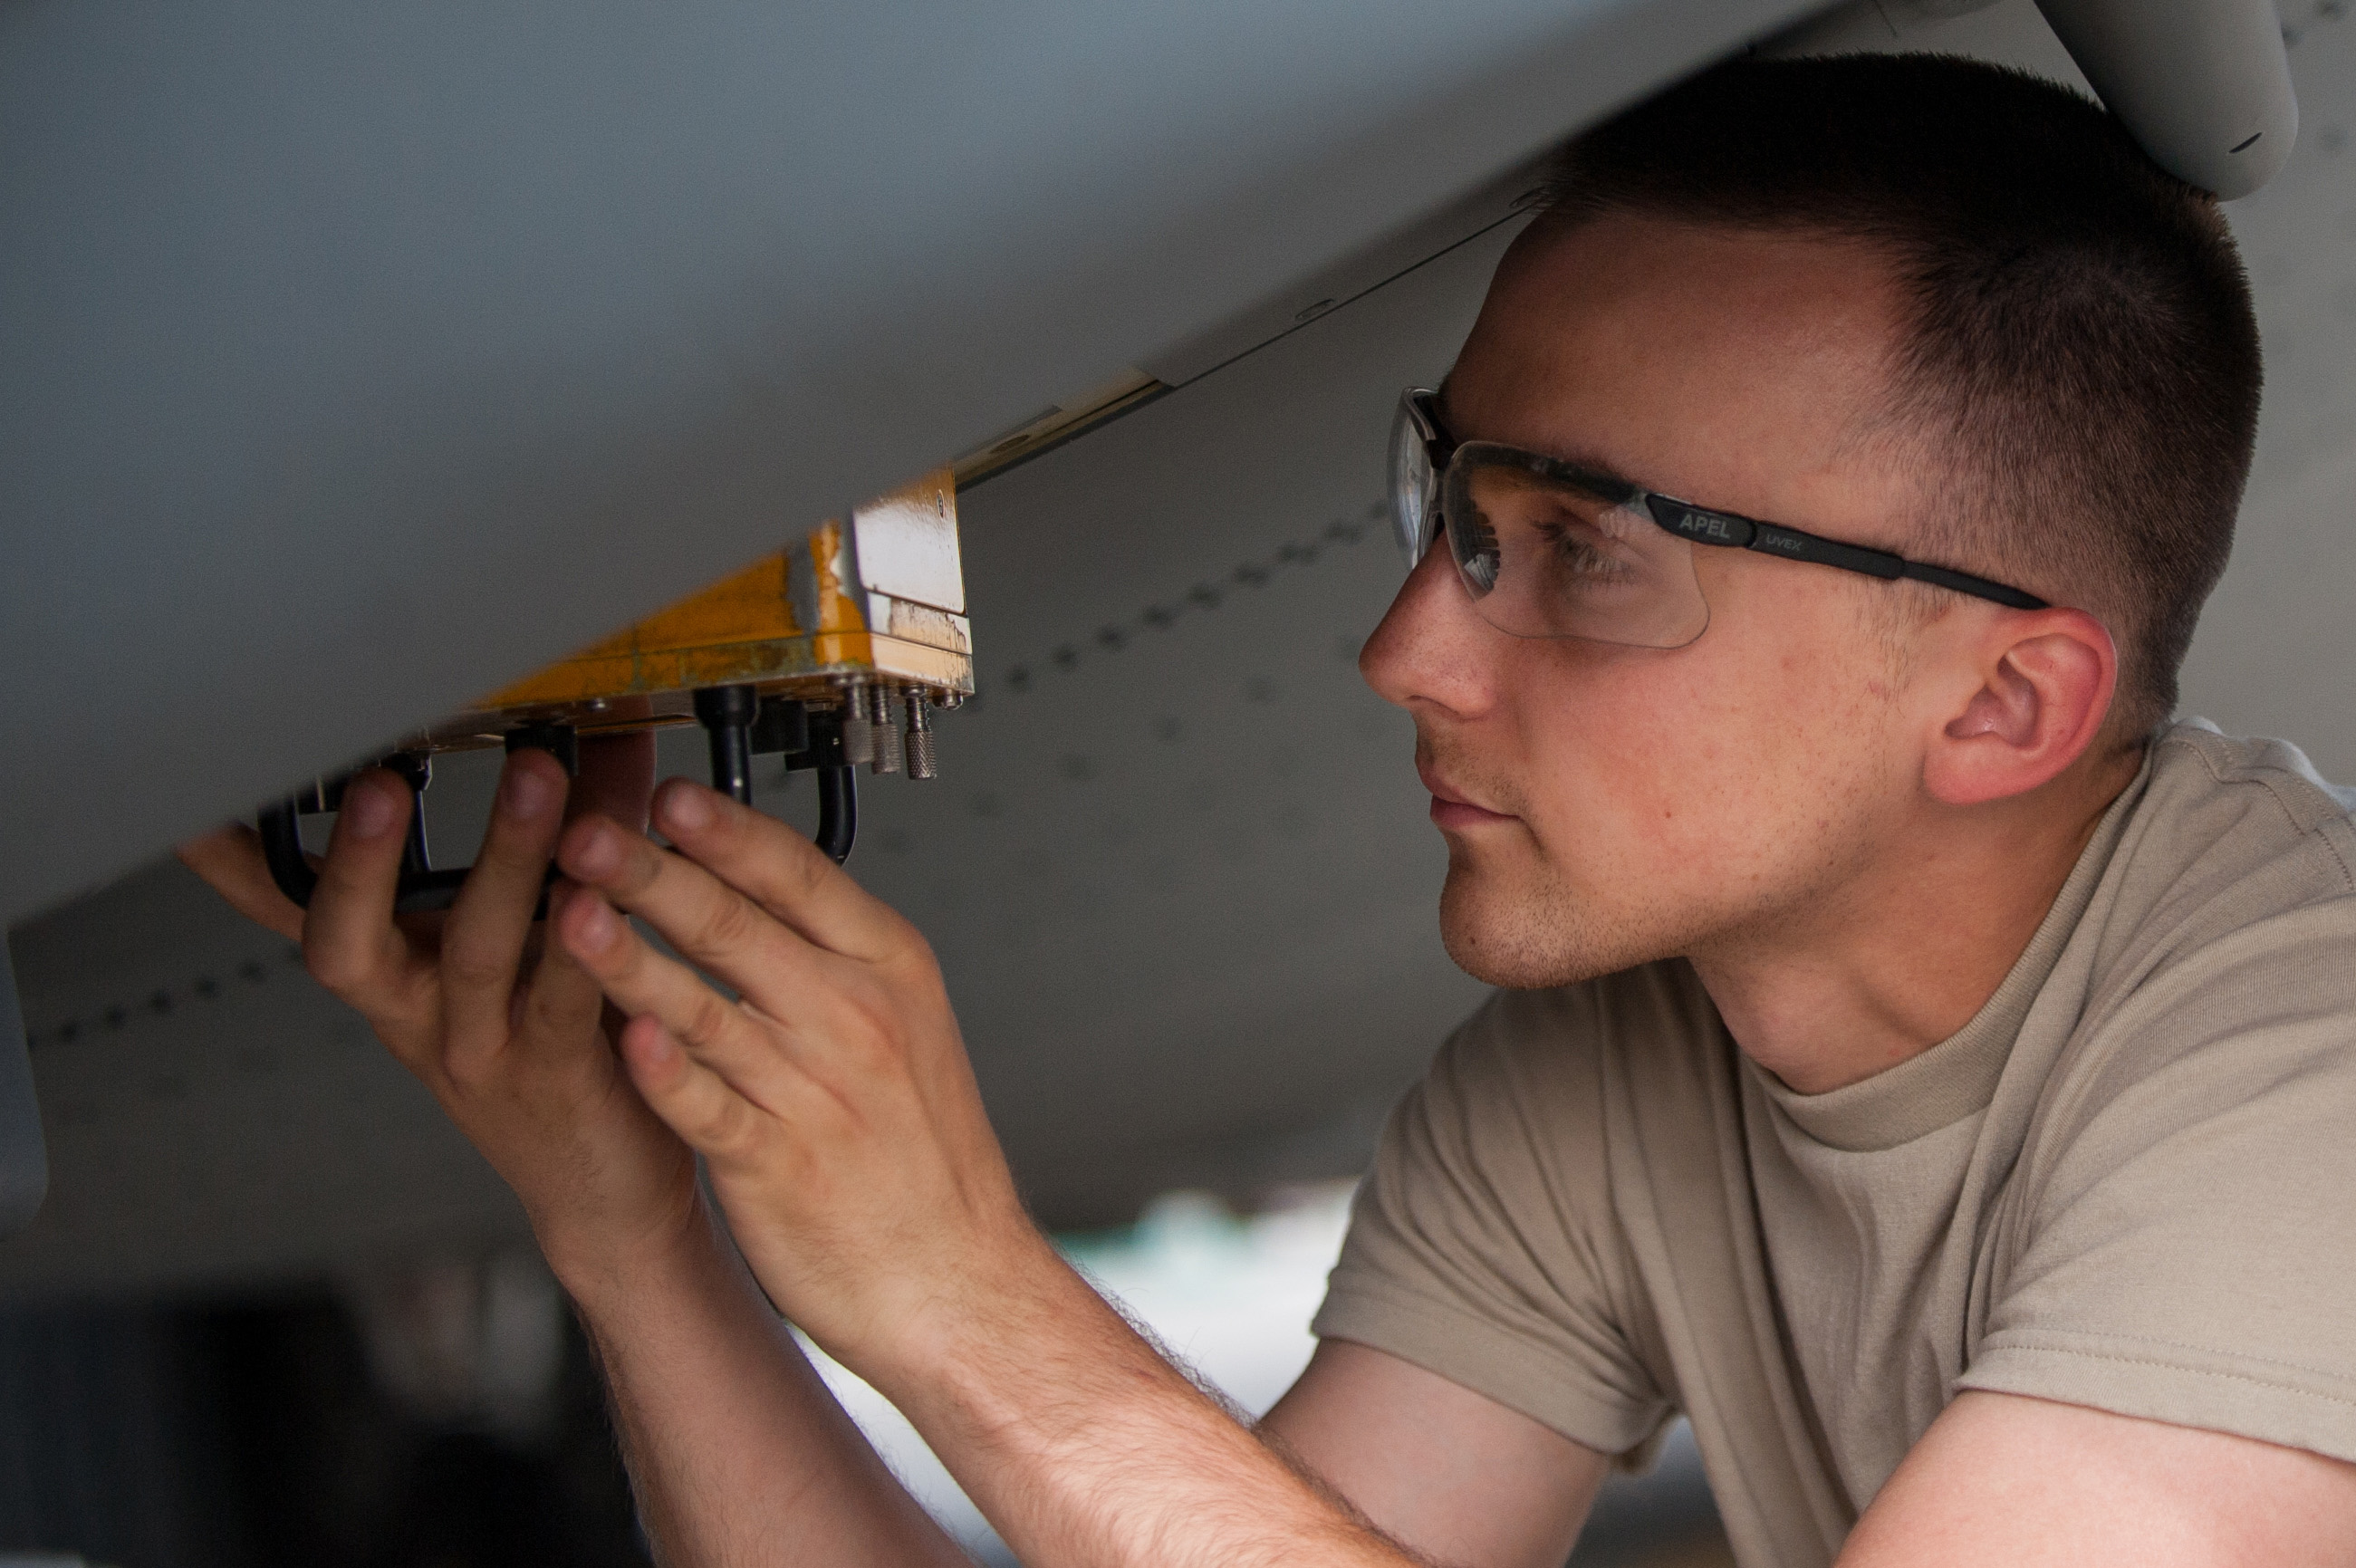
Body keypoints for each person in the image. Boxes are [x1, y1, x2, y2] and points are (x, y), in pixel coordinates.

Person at [184, 53, 2356, 1568]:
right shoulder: (1606, 1071)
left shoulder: (2303, 1083)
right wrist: (632, 1228)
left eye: (1585, 553)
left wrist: (969, 1297)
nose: (1405, 645)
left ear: (1998, 702)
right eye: (1451, 501)